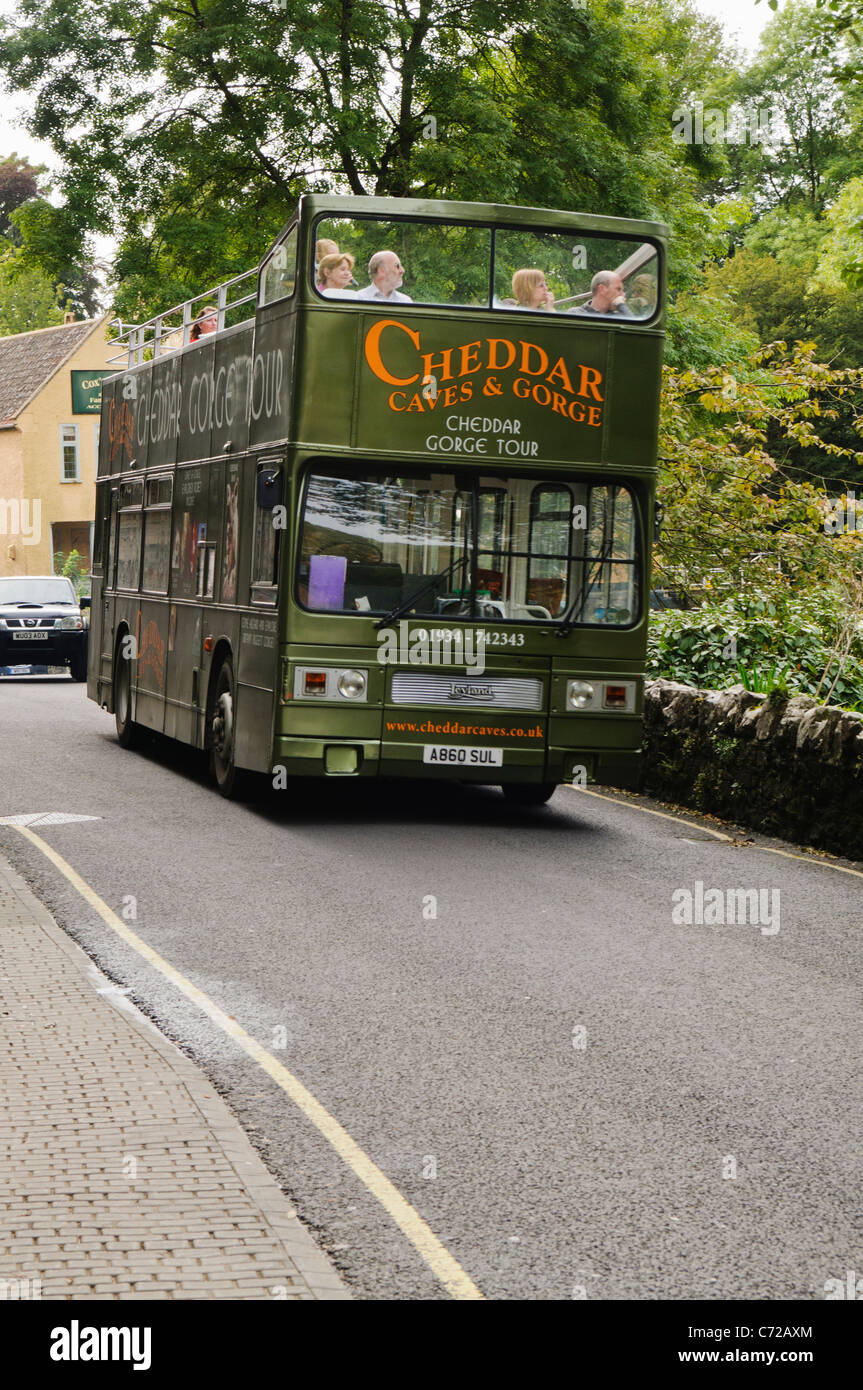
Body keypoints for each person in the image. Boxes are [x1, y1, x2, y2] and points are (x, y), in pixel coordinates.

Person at [570, 271, 634, 318]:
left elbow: (635, 329)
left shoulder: (617, 317)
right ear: (602, 289)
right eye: (618, 289)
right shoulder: (576, 313)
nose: (623, 295)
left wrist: (621, 305)